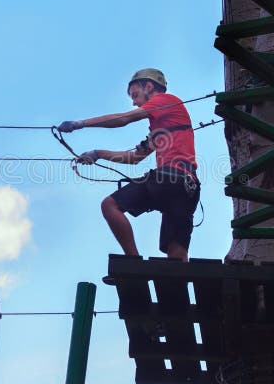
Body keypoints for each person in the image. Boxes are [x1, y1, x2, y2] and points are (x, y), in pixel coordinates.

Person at [57, 68, 200, 279]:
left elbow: (123, 118)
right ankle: (176, 294)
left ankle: (133, 262)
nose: (134, 102)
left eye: (135, 95)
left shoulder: (165, 100)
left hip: (170, 178)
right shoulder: (163, 126)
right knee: (176, 250)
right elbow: (134, 158)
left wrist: (80, 124)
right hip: (189, 187)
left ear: (148, 87)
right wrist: (98, 154)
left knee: (110, 205)